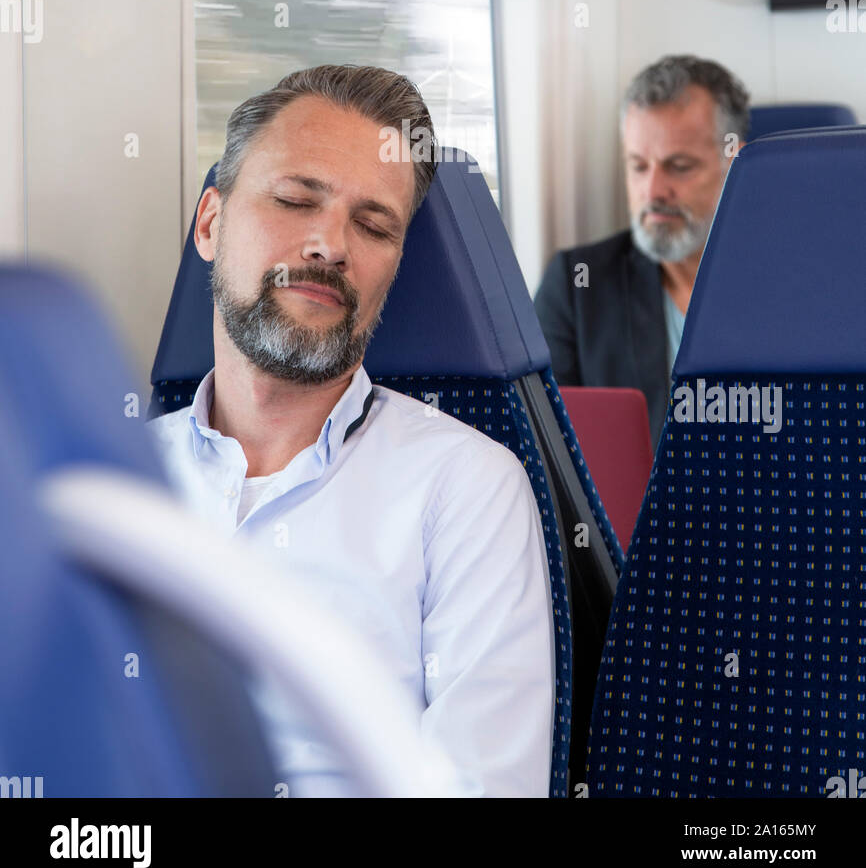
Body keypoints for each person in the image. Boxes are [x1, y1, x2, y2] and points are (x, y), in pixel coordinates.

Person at [147, 64, 554, 798]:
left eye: (373, 226)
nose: (330, 244)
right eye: (296, 199)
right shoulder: (117, 479)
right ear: (210, 223)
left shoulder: (466, 491)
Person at [534, 55, 750, 450]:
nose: (652, 192)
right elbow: (549, 451)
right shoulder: (575, 286)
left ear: (736, 162)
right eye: (638, 166)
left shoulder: (794, 285)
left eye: (679, 166)